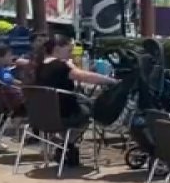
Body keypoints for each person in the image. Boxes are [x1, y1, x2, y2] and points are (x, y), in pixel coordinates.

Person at [33, 34, 117, 169]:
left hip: (42, 117)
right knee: (90, 112)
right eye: (69, 50)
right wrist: (111, 80)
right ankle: (67, 144)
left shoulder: (40, 65)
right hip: (63, 115)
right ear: (57, 48)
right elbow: (84, 76)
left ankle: (65, 145)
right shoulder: (60, 65)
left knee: (82, 107)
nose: (71, 54)